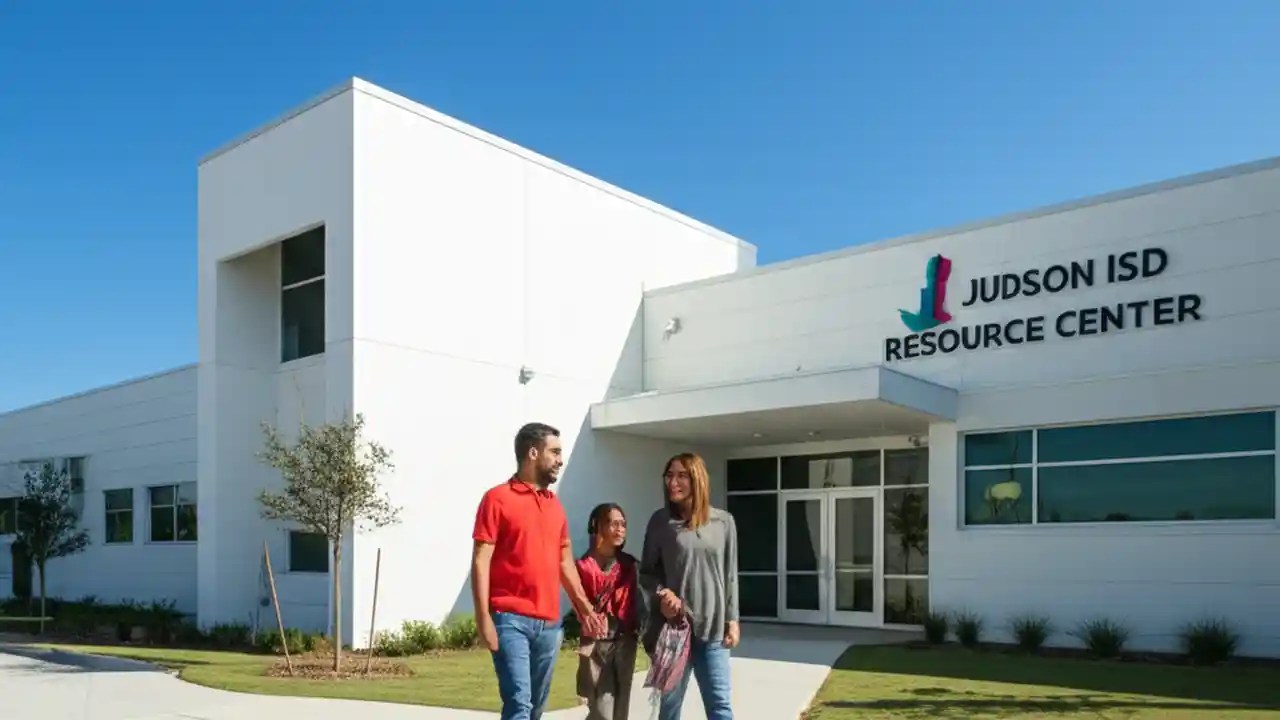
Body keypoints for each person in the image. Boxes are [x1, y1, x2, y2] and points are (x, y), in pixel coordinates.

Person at [472, 422, 607, 720]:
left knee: (535, 709)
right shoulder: (497, 499)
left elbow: (564, 562)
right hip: (510, 620)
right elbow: (481, 560)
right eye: (555, 452)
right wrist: (483, 618)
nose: (561, 459)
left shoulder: (554, 505)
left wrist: (585, 609)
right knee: (519, 704)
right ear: (533, 453)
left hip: (549, 624)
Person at [640, 452, 739, 720]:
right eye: (669, 475)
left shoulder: (724, 522)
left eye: (681, 475)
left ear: (697, 479)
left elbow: (730, 574)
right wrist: (662, 594)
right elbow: (646, 573)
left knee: (720, 707)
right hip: (674, 631)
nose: (673, 482)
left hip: (713, 632)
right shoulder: (661, 522)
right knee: (670, 711)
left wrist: (733, 620)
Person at [574, 503, 641, 720]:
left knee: (621, 708)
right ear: (597, 526)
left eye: (623, 525)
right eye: (613, 524)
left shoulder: (629, 565)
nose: (620, 529)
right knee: (602, 708)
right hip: (596, 645)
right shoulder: (583, 567)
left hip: (626, 642)